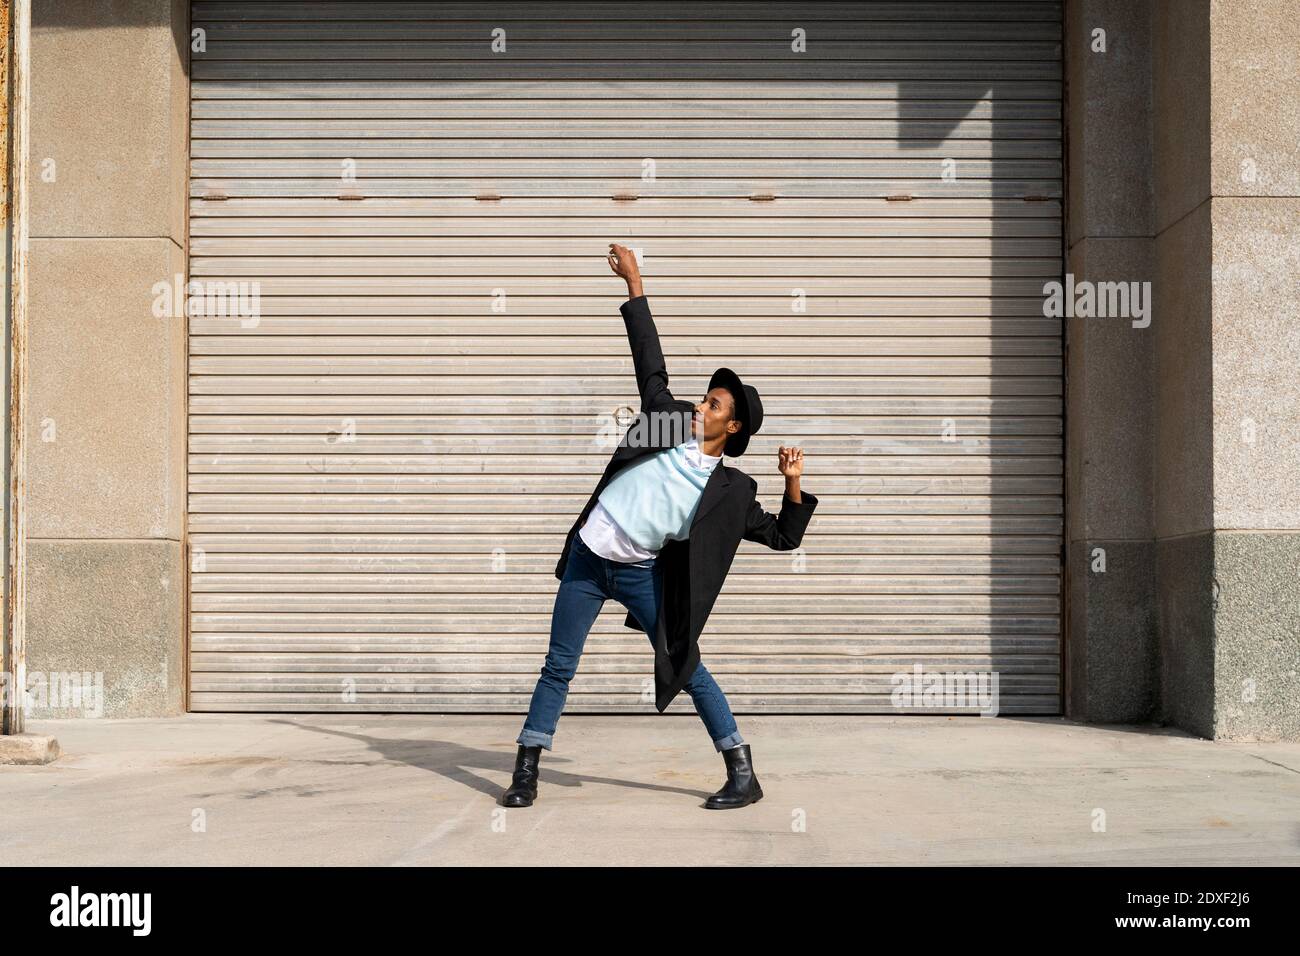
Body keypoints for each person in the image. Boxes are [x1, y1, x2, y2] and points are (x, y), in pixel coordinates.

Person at [502, 243, 817, 810]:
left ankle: (741, 769)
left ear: (734, 424)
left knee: (685, 663)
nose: (701, 405)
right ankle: (526, 770)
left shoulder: (732, 491)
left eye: (714, 404)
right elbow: (648, 358)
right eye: (704, 397)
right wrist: (635, 282)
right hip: (587, 559)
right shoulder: (666, 423)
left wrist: (793, 485)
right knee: (558, 666)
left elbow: (782, 536)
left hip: (641, 576)